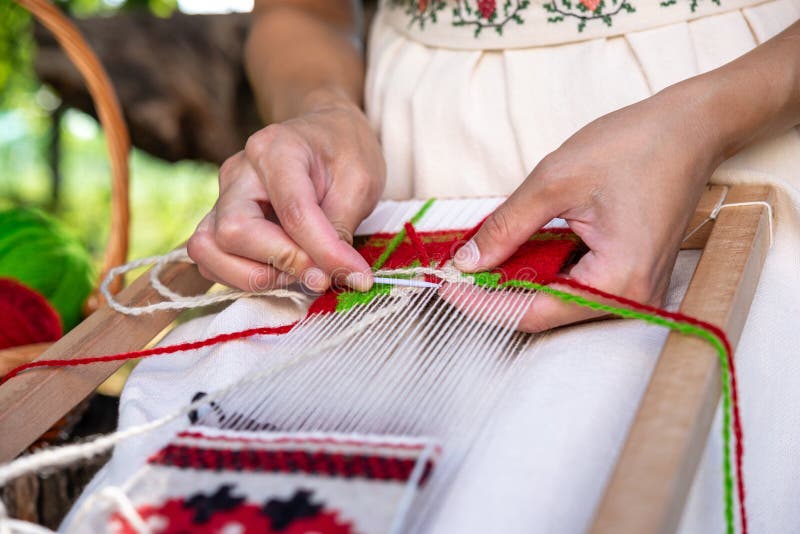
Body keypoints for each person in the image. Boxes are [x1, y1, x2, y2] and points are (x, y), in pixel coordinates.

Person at [70, 1, 800, 532]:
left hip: (732, 112)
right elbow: (303, 11)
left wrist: (705, 119)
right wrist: (324, 107)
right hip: (404, 156)